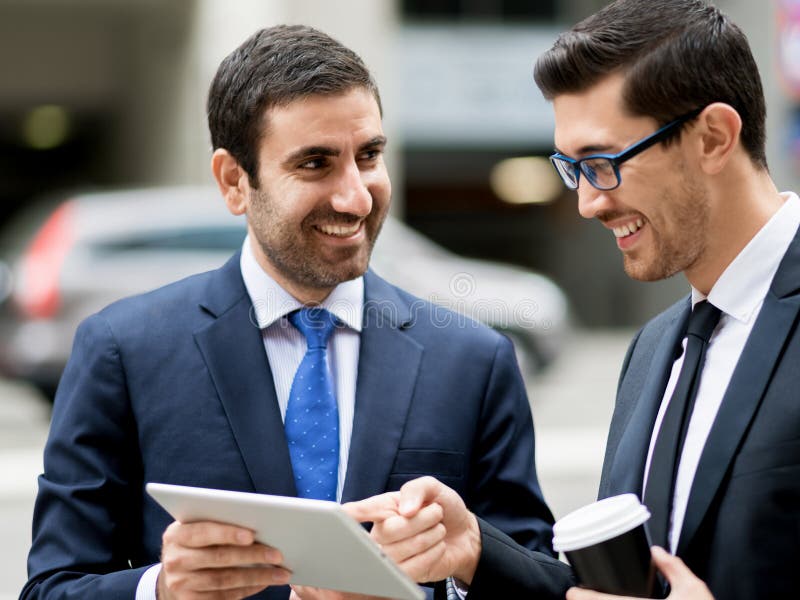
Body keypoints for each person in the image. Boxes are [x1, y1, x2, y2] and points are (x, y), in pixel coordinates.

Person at [21, 24, 573, 600]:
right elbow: (52, 588)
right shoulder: (123, 350)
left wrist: (456, 573)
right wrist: (161, 589)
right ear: (234, 181)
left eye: (369, 156)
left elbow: (539, 578)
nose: (356, 196)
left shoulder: (473, 360)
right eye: (315, 164)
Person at [349, 1, 800, 598]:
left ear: (714, 137)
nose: (589, 203)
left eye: (604, 163)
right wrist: (477, 550)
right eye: (573, 169)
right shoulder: (655, 349)